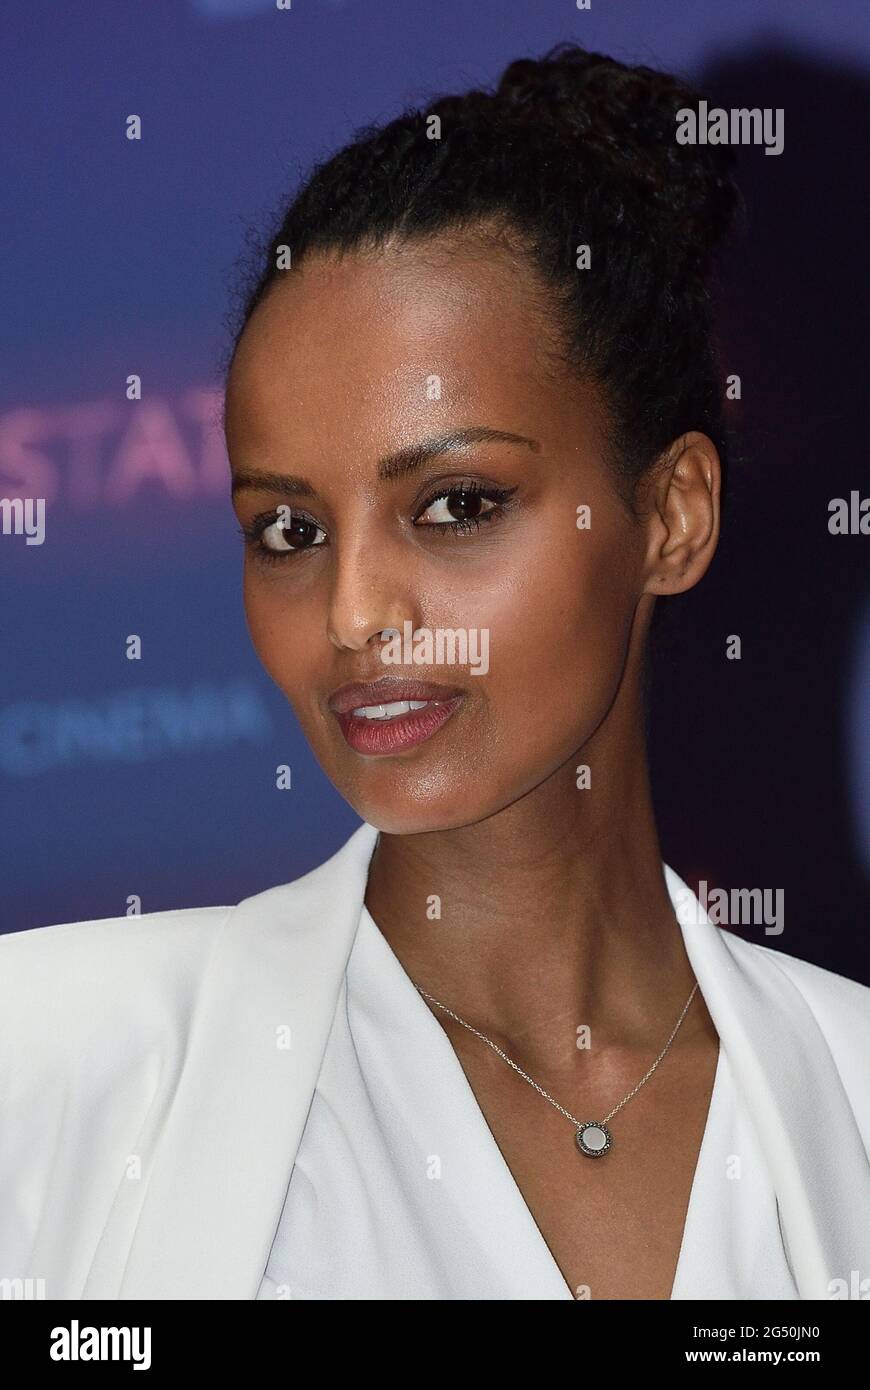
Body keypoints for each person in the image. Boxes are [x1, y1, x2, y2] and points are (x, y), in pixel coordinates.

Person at [1, 43, 868, 1302]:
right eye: (288, 530)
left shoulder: (845, 1088)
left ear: (673, 516)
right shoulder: (53, 1066)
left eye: (457, 503)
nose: (354, 613)